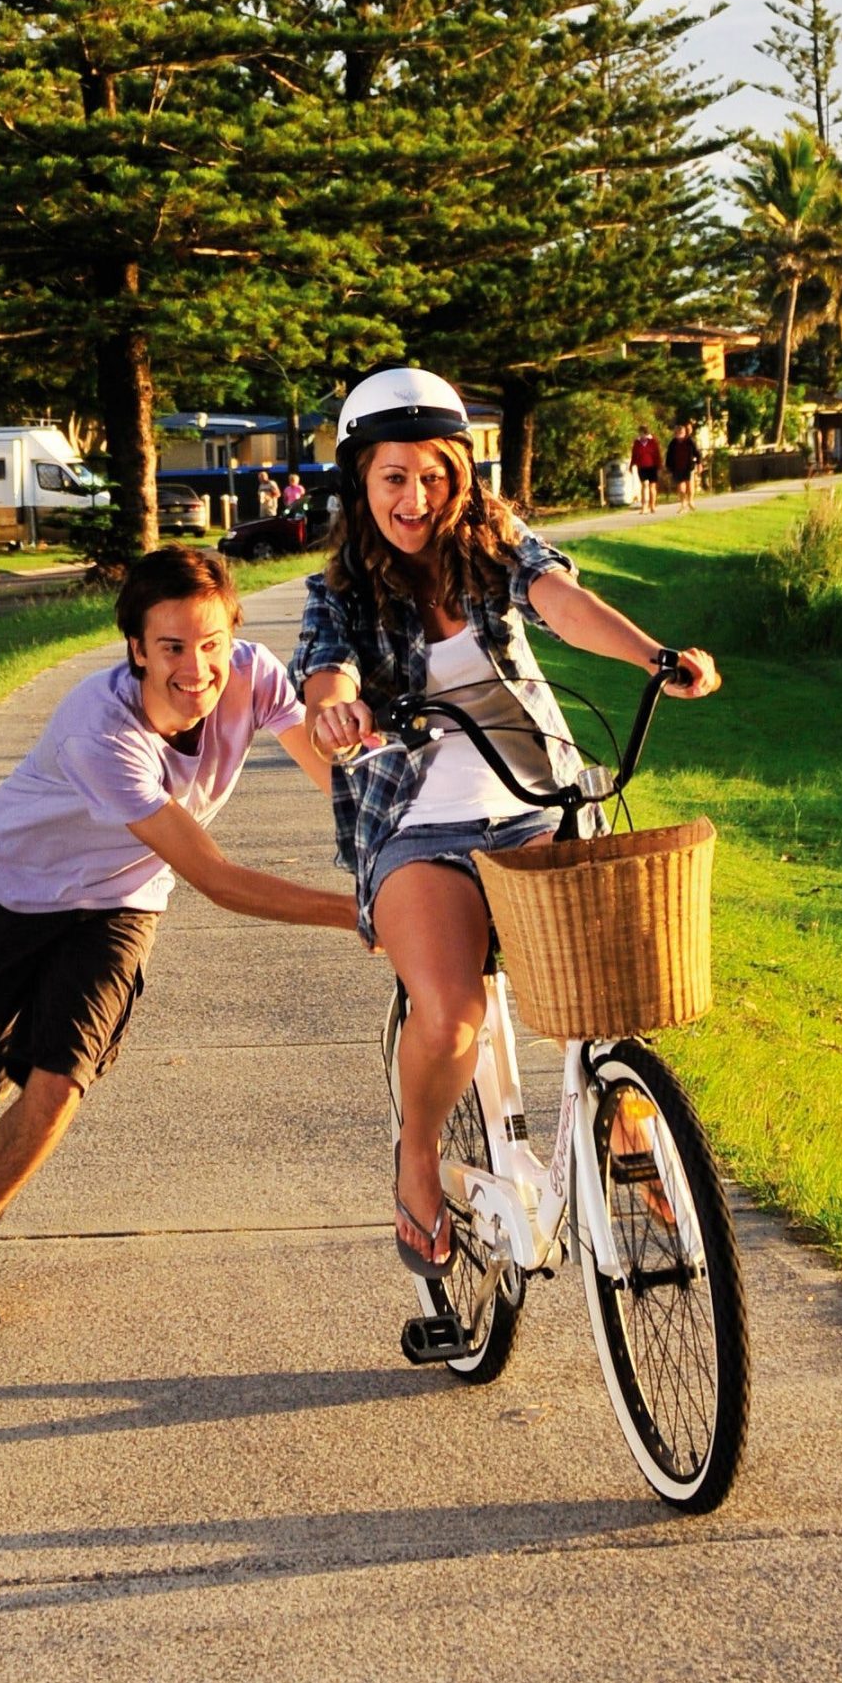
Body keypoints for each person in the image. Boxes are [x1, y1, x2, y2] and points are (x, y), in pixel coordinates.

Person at [295, 367, 721, 1278]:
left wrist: (654, 657)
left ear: (460, 473)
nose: (416, 498)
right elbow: (327, 671)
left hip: (535, 803)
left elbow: (560, 602)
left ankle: (629, 1117)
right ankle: (417, 1161)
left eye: (434, 475)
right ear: (361, 480)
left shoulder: (492, 543)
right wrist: (334, 710)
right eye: (394, 477)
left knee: (604, 997)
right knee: (453, 1012)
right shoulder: (340, 589)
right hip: (419, 825)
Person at [0, 545, 356, 1334]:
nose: (198, 667)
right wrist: (360, 911)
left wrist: (398, 836)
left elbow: (338, 779)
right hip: (15, 887)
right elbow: (216, 877)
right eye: (173, 647)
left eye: (212, 642)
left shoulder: (252, 675)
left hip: (123, 899)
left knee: (59, 1081)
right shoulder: (102, 730)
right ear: (137, 648)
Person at [665, 420, 703, 512]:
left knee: (690, 485)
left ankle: (690, 501)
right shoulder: (673, 443)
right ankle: (683, 503)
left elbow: (697, 453)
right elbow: (669, 456)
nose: (679, 435)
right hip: (677, 468)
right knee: (681, 487)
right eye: (677, 433)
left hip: (689, 467)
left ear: (685, 433)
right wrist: (668, 467)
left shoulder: (690, 441)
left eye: (681, 433)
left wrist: (699, 464)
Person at [628, 427, 663, 513]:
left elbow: (657, 454)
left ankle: (652, 505)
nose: (641, 435)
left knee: (652, 486)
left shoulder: (653, 441)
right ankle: (644, 506)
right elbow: (634, 455)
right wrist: (631, 465)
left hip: (652, 466)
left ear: (646, 433)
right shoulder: (637, 443)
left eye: (643, 433)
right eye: (640, 433)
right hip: (641, 466)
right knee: (644, 485)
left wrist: (659, 465)